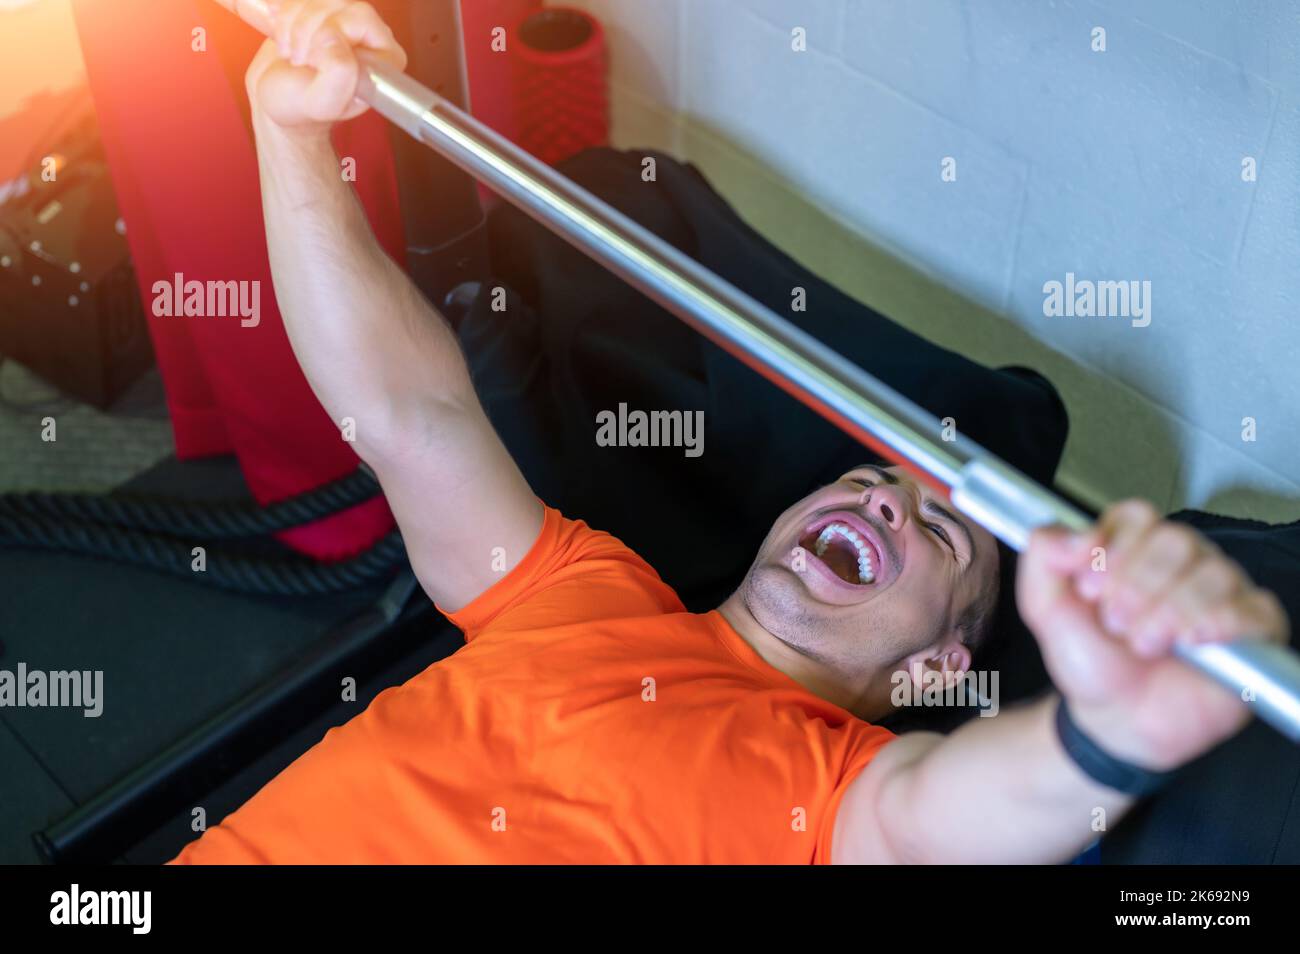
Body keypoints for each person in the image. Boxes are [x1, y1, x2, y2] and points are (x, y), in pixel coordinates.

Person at [172, 0, 1288, 864]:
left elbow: (936, 829)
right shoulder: (584, 589)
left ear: (938, 668)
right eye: (872, 479)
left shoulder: (842, 794)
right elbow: (408, 418)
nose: (882, 497)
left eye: (939, 533)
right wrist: (290, 132)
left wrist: (1111, 736)